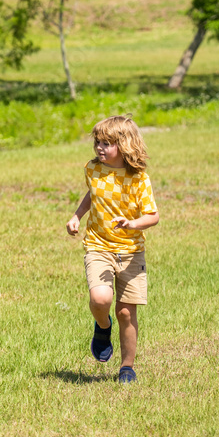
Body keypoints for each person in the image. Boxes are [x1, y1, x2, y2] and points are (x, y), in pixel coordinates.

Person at [66, 116, 158, 384]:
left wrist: (133, 223)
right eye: (97, 142)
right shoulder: (93, 169)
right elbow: (92, 194)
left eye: (107, 143)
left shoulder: (139, 178)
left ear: (125, 144)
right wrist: (76, 216)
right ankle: (103, 327)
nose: (99, 148)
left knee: (126, 312)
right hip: (98, 245)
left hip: (131, 251)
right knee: (100, 299)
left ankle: (127, 367)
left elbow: (153, 216)